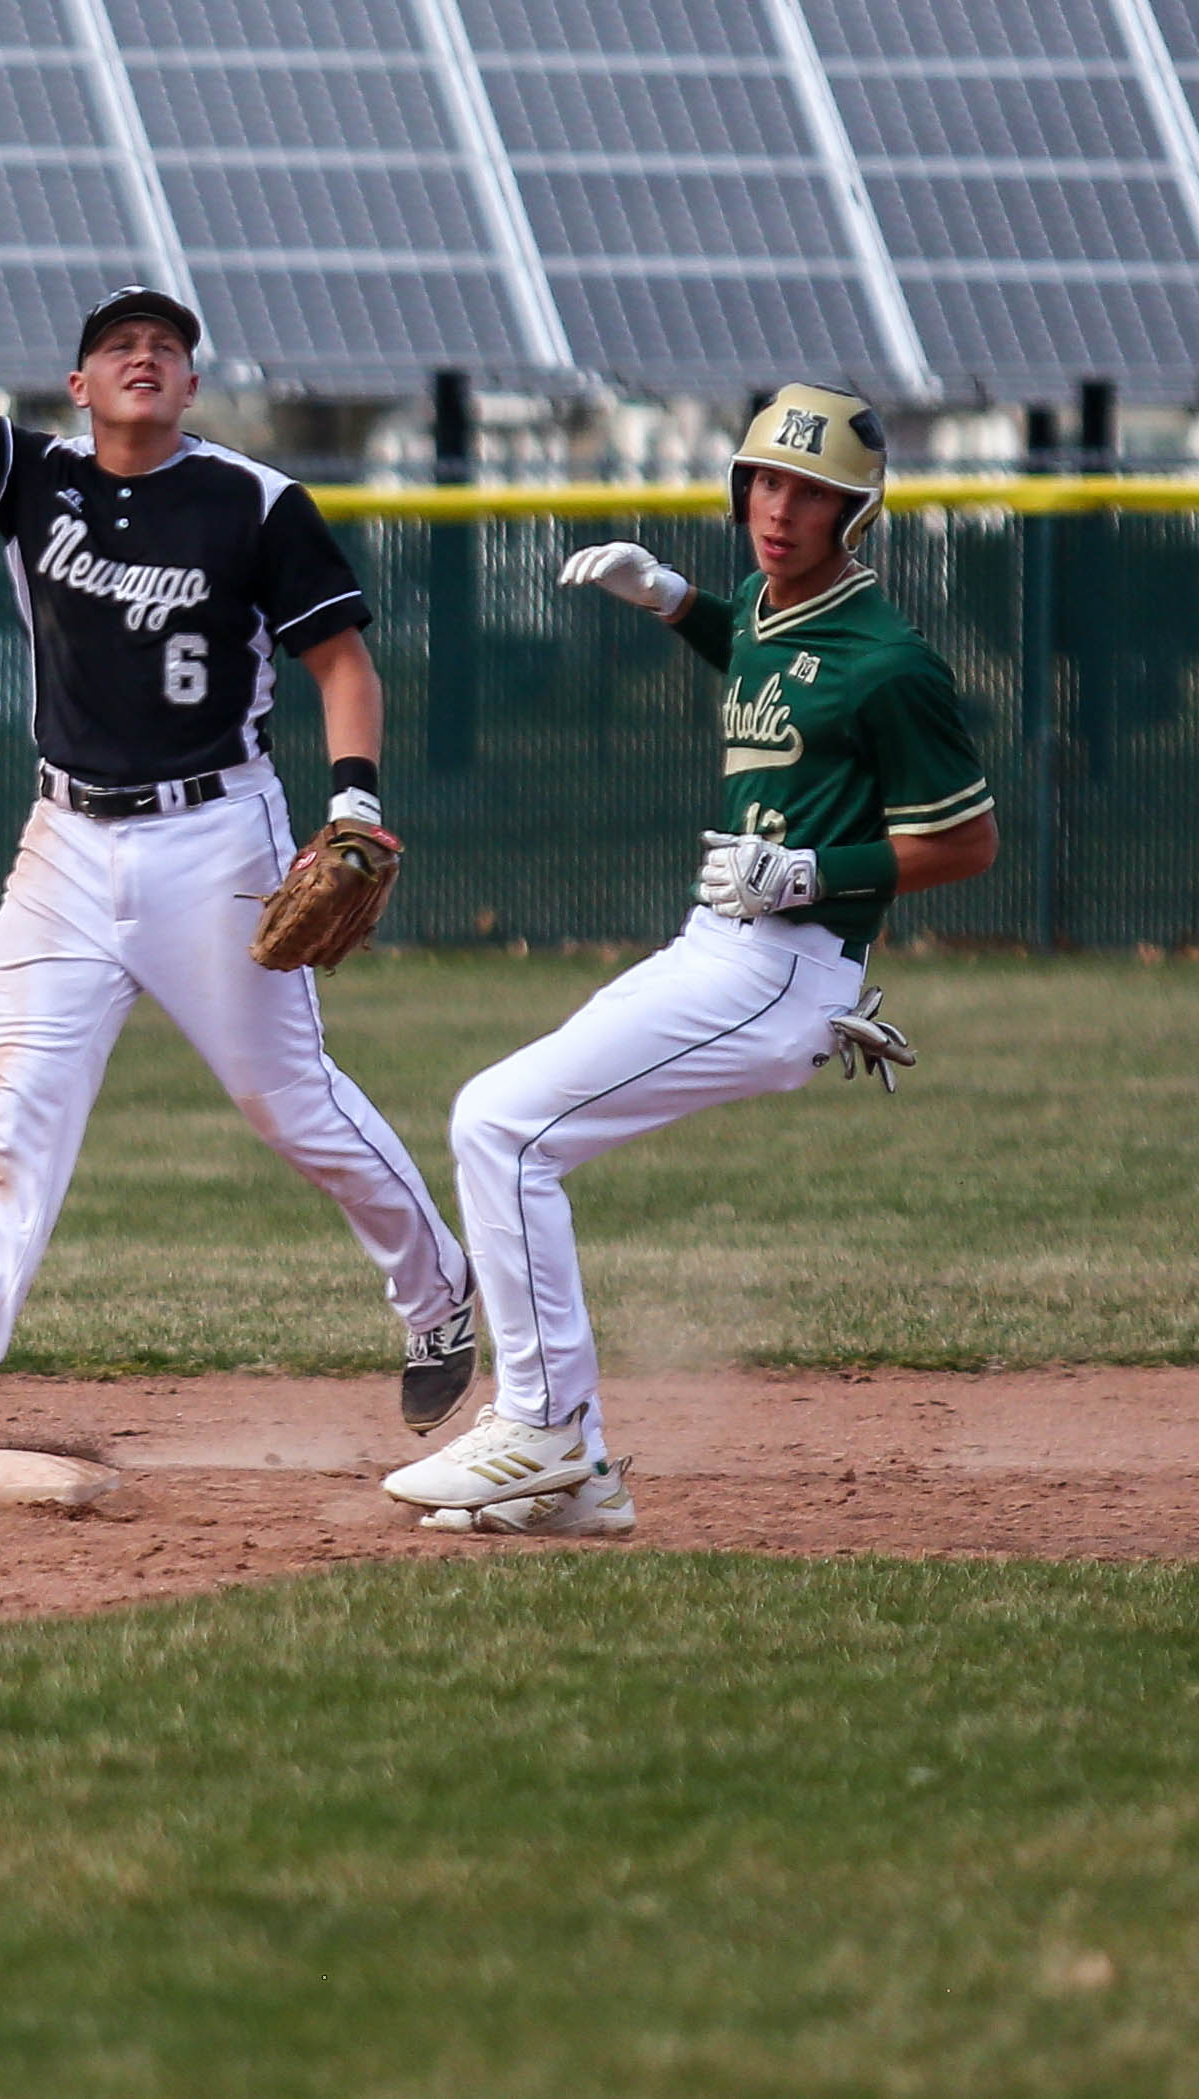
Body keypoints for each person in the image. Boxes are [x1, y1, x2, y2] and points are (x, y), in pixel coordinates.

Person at [0, 147, 476, 1456]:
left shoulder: (255, 503)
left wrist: (354, 806)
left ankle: (440, 1295)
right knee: (13, 1113)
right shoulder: (34, 478)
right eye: (117, 345)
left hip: (214, 838)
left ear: (189, 382)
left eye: (165, 346)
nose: (143, 356)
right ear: (79, 385)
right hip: (63, 846)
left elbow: (341, 666)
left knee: (289, 1103)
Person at [383, 385, 995, 1537]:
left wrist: (810, 872)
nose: (779, 510)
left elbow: (968, 842)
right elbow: (761, 653)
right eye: (764, 482)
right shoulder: (770, 605)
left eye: (810, 493)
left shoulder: (890, 660)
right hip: (718, 945)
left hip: (785, 970)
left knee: (502, 1127)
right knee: (509, 1131)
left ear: (855, 513)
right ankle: (579, 1479)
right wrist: (671, 600)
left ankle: (545, 1431)